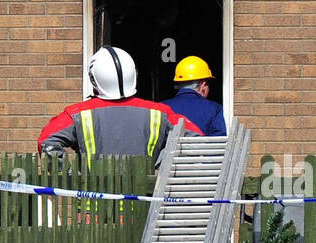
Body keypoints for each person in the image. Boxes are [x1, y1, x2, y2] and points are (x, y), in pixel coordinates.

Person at [38, 46, 200, 165]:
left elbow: (46, 141)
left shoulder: (77, 114)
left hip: (93, 209)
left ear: (94, 80)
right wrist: (162, 162)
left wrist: (70, 176)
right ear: (134, 75)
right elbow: (197, 141)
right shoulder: (159, 113)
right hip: (144, 209)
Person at [164, 56, 227, 136]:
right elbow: (219, 140)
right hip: (203, 149)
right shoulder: (215, 108)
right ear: (203, 85)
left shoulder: (161, 108)